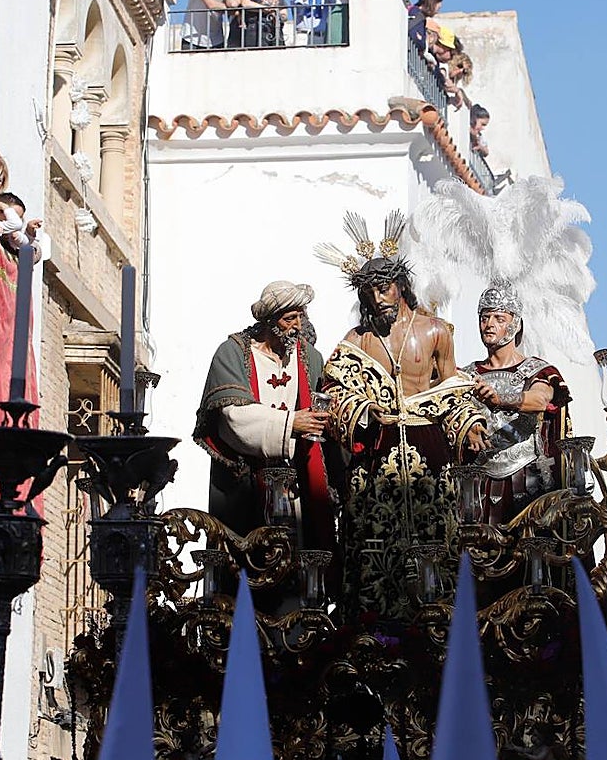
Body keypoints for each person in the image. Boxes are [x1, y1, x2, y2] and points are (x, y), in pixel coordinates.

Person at [317, 212, 488, 622]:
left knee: (438, 543)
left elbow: (453, 388)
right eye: (370, 291)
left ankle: (443, 622)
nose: (379, 298)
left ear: (400, 286)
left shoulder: (434, 331)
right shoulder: (354, 343)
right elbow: (333, 399)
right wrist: (363, 409)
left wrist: (471, 425)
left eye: (385, 287)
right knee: (375, 547)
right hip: (378, 455)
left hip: (429, 450)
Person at [193, 281, 336, 552]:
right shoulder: (233, 353)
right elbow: (232, 416)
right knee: (247, 560)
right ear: (270, 321)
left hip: (297, 481)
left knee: (300, 556)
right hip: (247, 481)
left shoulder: (309, 356)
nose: (297, 325)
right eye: (289, 318)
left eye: (300, 316)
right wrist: (290, 423)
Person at [461, 280, 571, 526]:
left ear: (516, 323)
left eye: (499, 318)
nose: (489, 325)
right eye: (484, 318)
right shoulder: (466, 376)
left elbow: (540, 399)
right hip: (477, 486)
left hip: (525, 480)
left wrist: (501, 399)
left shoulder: (538, 371)